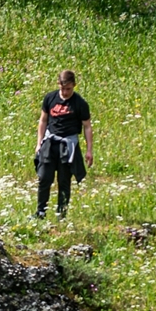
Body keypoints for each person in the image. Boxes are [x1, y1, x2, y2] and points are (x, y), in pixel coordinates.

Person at [35, 69, 93, 219]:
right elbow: (43, 120)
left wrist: (89, 150)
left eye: (68, 89)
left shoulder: (80, 103)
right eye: (62, 88)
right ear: (58, 84)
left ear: (74, 85)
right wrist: (39, 143)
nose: (65, 92)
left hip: (67, 145)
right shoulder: (50, 98)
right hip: (50, 142)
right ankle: (41, 212)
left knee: (64, 180)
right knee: (44, 177)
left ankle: (62, 214)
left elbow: (87, 126)